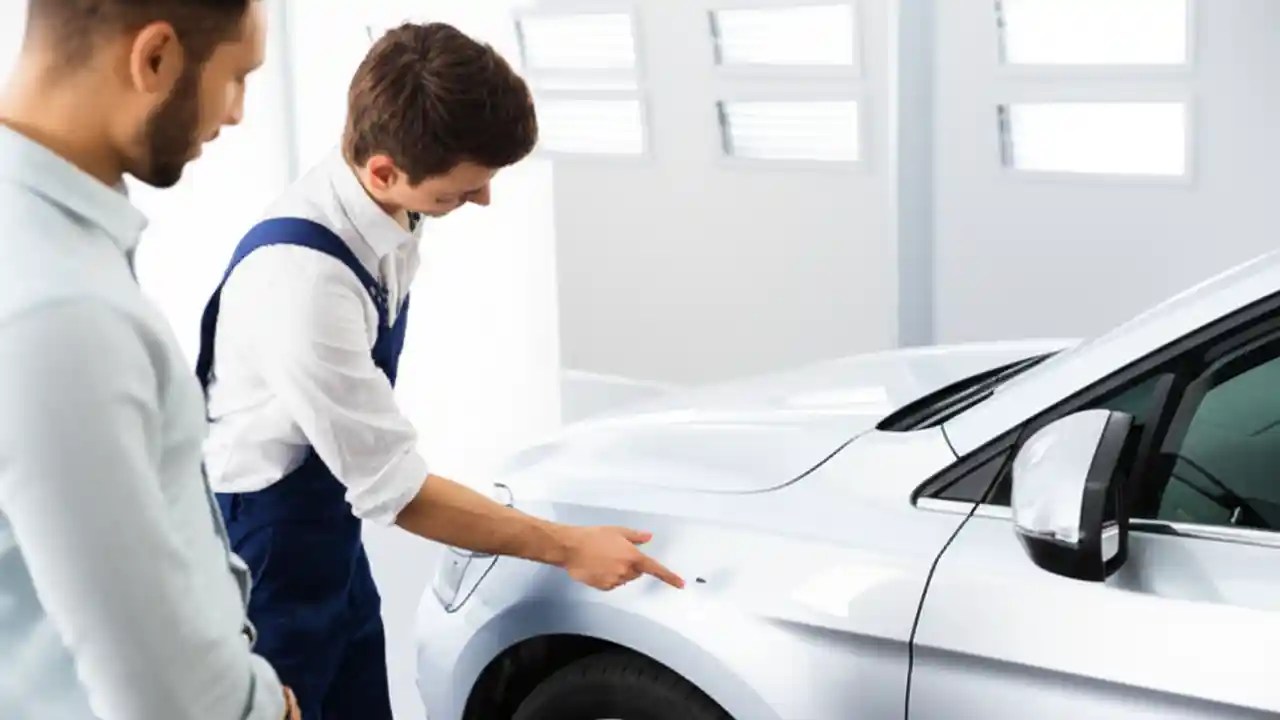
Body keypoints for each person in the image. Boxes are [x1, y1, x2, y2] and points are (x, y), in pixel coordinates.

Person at [198, 21, 685, 719]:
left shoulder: (383, 209)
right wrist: (567, 547)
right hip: (265, 557)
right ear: (385, 171)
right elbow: (398, 490)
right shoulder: (304, 287)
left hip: (328, 539)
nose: (481, 201)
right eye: (460, 191)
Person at [0, 1, 300, 719]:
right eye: (235, 77)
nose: (235, 115)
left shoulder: (45, 243)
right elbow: (165, 698)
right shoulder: (61, 311)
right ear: (155, 58)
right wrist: (260, 706)